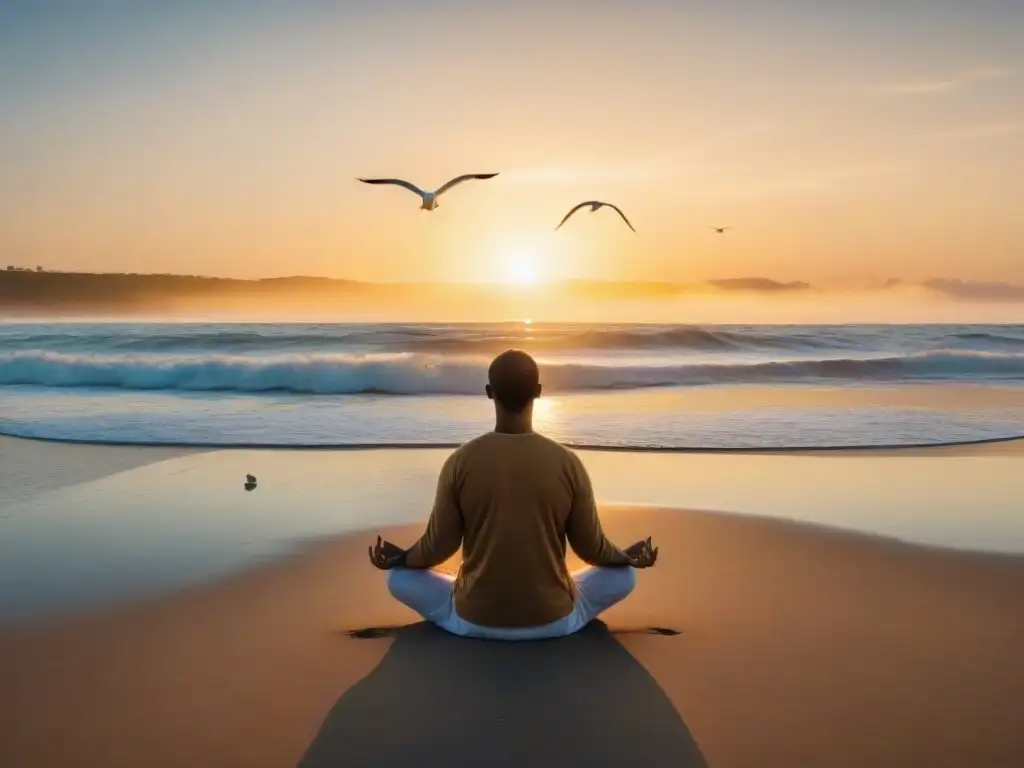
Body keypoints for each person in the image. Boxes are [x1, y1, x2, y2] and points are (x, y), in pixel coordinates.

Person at [368, 349, 658, 641]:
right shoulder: (567, 462)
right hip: (556, 621)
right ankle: (550, 594)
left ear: (489, 392)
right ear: (539, 392)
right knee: (624, 576)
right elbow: (592, 550)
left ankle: (473, 593)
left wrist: (403, 558)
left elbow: (438, 547)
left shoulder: (461, 461)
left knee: (398, 578)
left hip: (474, 621)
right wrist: (625, 557)